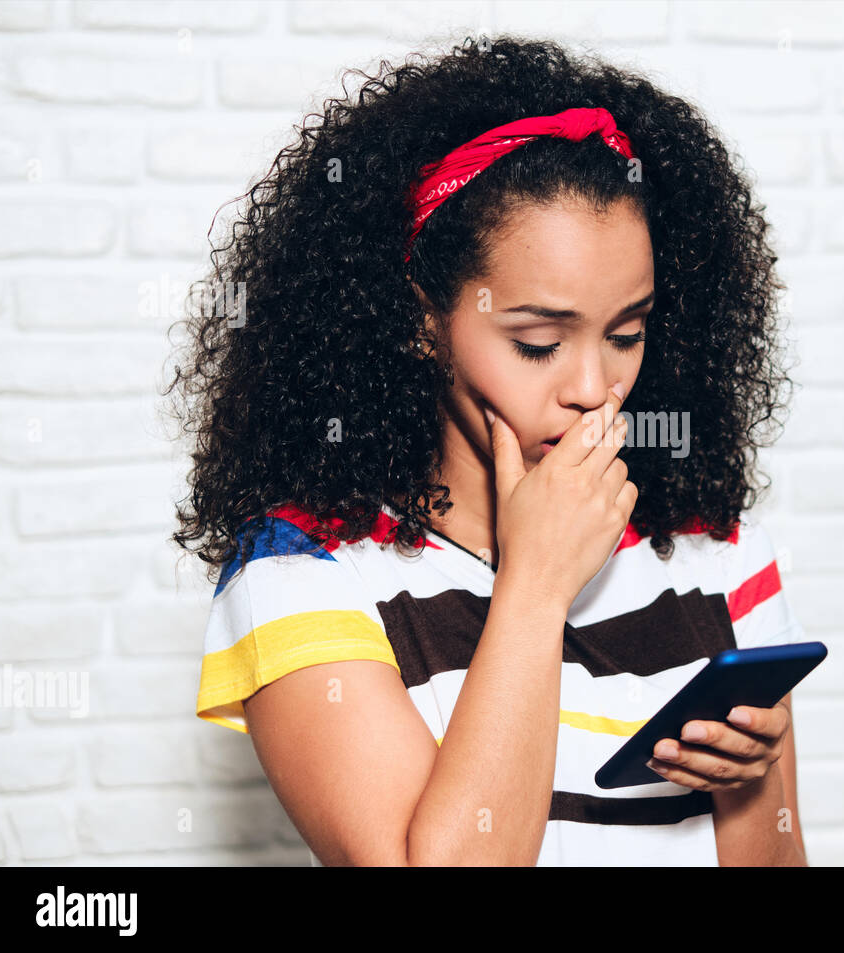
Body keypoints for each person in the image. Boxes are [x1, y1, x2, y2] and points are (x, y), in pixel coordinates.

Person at [166, 35, 807, 866]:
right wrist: (537, 584)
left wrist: (746, 782)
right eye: (538, 341)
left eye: (627, 334)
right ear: (421, 319)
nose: (593, 385)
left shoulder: (715, 551)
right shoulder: (301, 575)